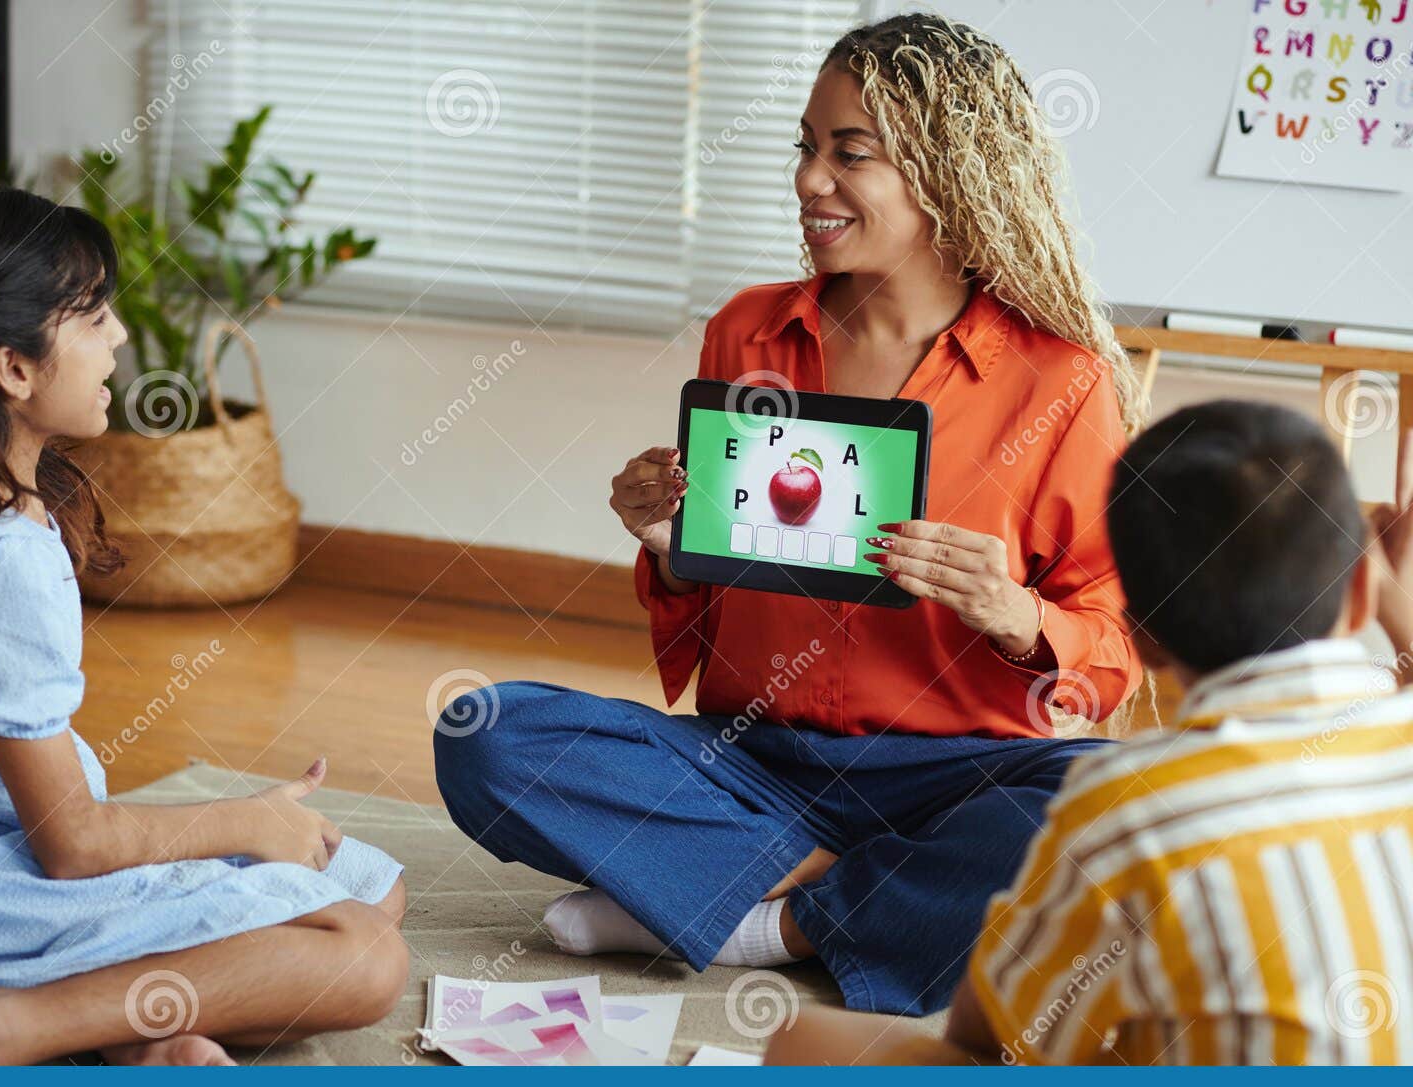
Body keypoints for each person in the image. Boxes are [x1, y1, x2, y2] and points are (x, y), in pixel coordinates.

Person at [434, 13, 1147, 1015]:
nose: (810, 178)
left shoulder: (1060, 379)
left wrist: (1017, 615)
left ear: (949, 174)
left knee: (1111, 811)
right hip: (756, 759)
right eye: (806, 146)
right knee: (486, 733)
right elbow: (718, 586)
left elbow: (1115, 636)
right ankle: (846, 887)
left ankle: (759, 916)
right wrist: (672, 549)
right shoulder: (748, 330)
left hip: (966, 772)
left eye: (849, 153)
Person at [0, 180, 408, 1066]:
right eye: (93, 317)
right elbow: (73, 844)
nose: (120, 337)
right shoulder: (0, 564)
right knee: (366, 956)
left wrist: (250, 832)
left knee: (370, 884)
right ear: (14, 370)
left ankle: (131, 1041)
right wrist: (243, 822)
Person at [767, 401, 1413, 1065]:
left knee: (802, 1040)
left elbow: (985, 1040)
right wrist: (1394, 602)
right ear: (1363, 591)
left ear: (1140, 638)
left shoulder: (1124, 800)